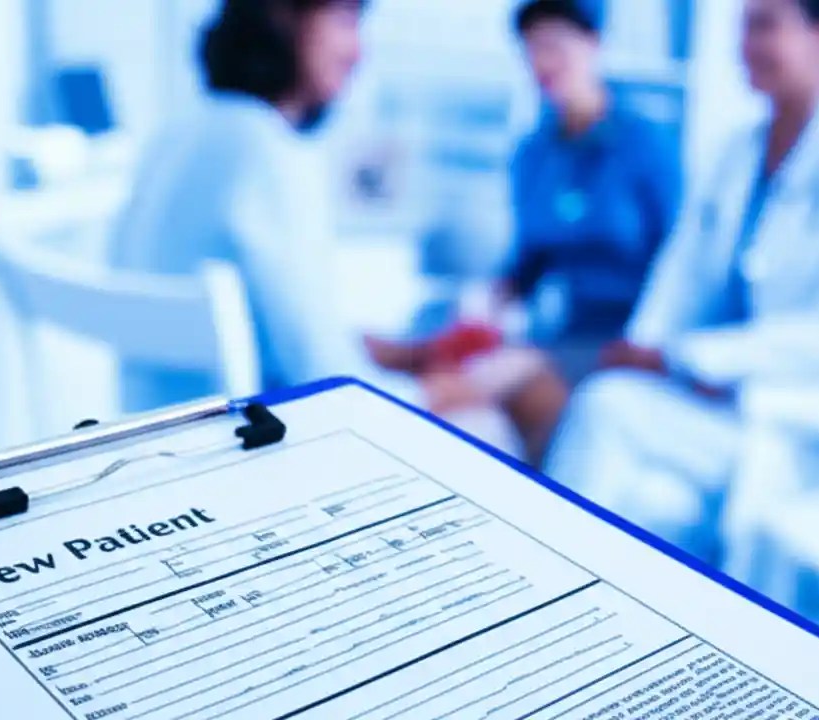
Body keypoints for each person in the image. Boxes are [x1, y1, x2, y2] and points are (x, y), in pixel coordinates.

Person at [542, 0, 819, 563]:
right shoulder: (738, 152)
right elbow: (682, 277)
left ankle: (544, 576)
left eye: (764, 26)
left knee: (606, 413)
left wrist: (685, 359)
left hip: (813, 425)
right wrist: (647, 348)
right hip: (721, 407)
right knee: (637, 485)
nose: (745, 47)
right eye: (742, 28)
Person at [366, 0, 681, 460]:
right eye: (532, 49)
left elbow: (681, 265)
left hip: (628, 341)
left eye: (555, 46)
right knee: (451, 363)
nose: (542, 62)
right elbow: (531, 262)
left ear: (594, 45)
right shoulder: (535, 153)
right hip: (561, 333)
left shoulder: (646, 147)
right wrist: (487, 303)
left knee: (487, 380)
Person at [109, 0, 370, 410]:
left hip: (154, 425)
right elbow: (323, 374)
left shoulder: (177, 133)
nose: (358, 52)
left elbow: (276, 335)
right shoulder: (266, 152)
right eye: (345, 20)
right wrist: (440, 393)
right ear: (281, 17)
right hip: (254, 435)